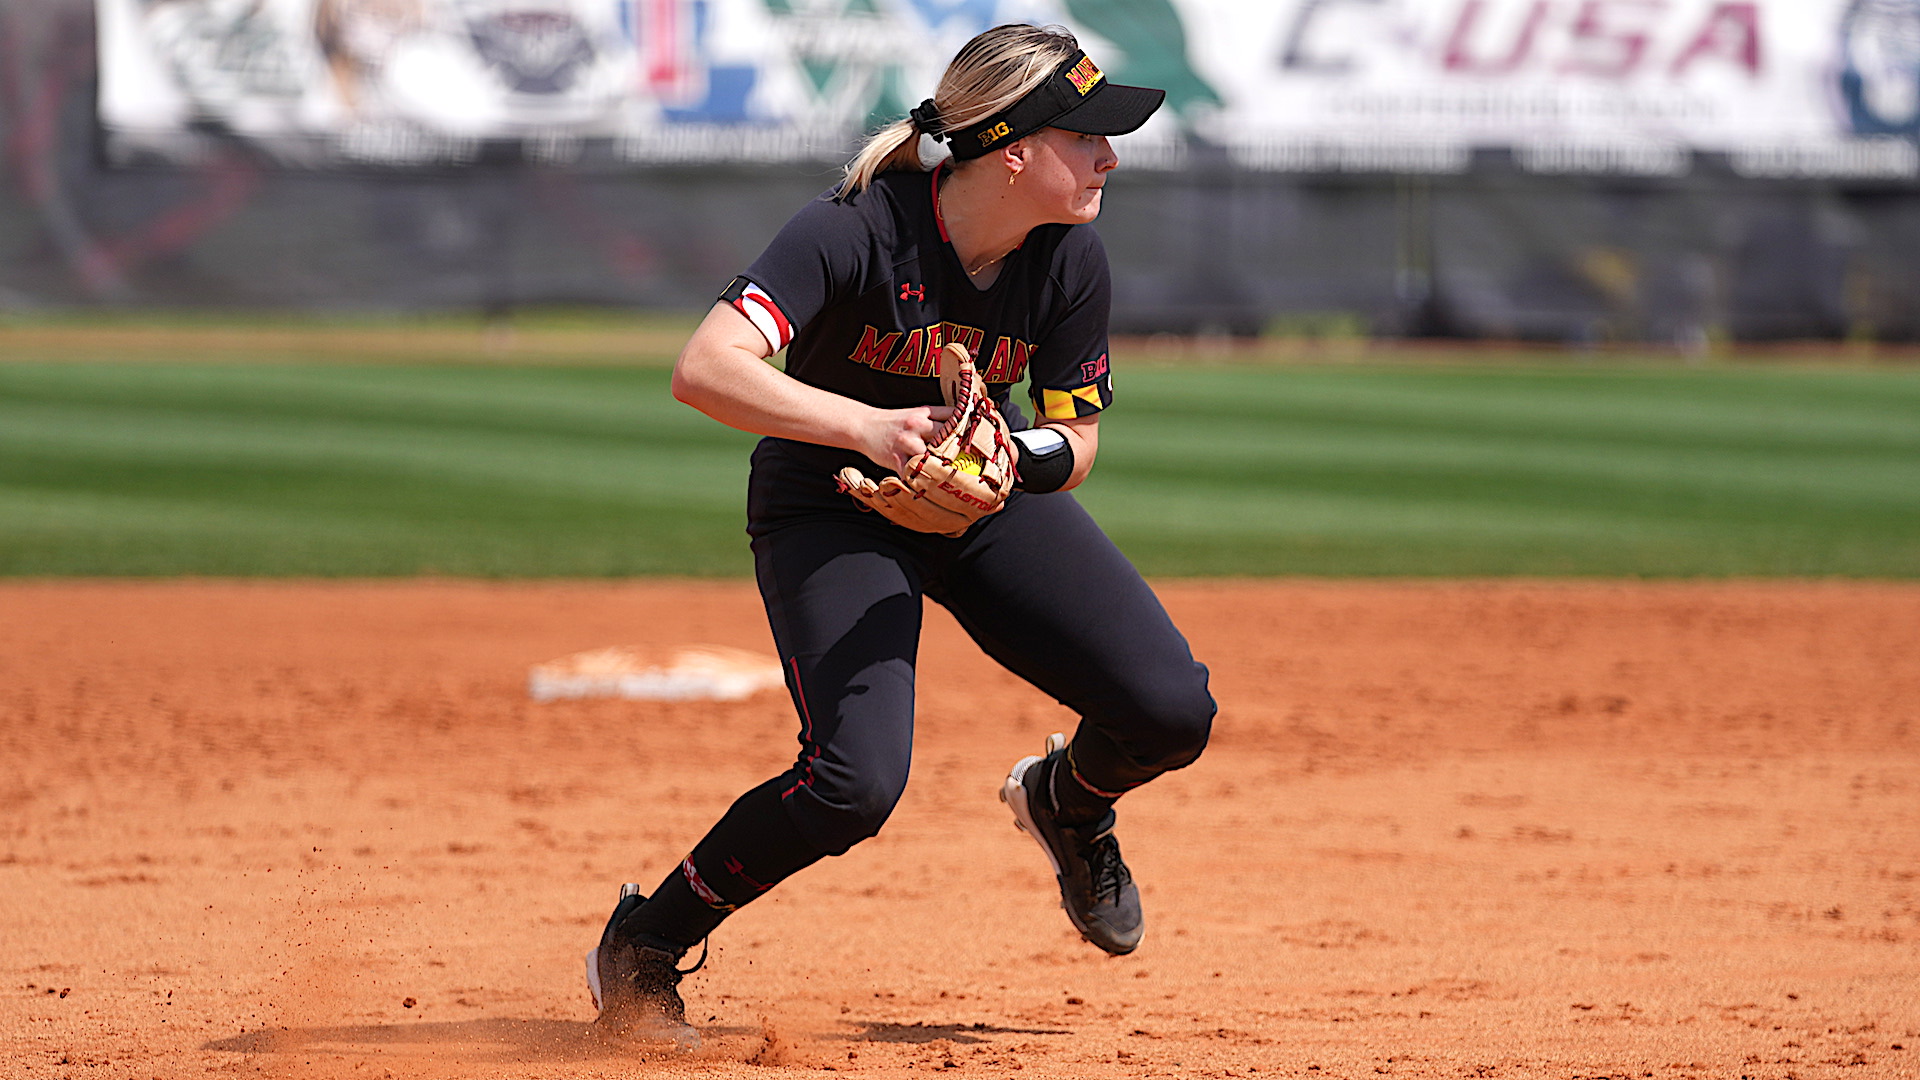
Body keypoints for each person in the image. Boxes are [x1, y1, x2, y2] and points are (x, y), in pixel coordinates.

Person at [585, 22, 1216, 1048]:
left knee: (1169, 710)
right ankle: (644, 944)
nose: (1110, 155)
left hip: (978, 497)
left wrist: (1014, 459)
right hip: (829, 497)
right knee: (853, 784)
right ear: (1013, 148)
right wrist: (872, 427)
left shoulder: (1067, 260)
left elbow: (1076, 438)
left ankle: (1067, 802)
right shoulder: (852, 230)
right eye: (1088, 136)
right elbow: (705, 367)